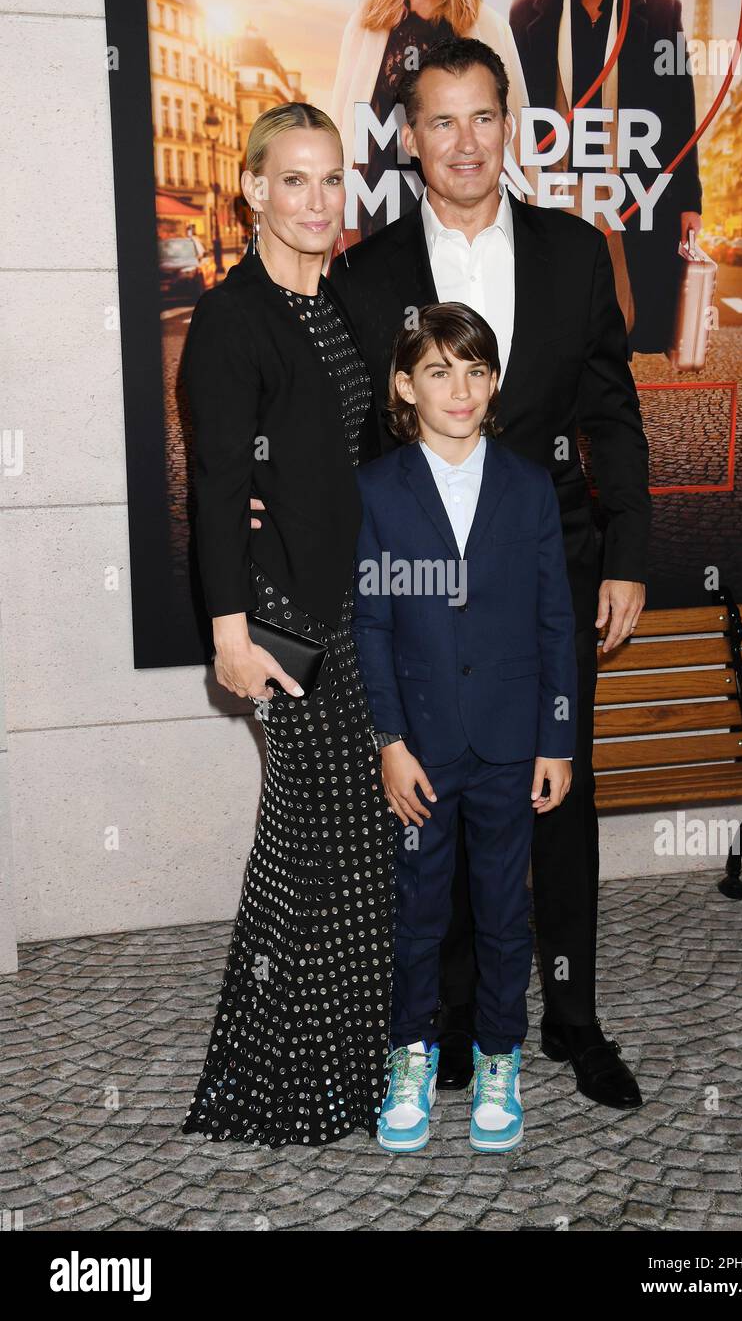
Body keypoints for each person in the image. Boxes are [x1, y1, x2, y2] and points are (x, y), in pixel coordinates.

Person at [326, 36, 650, 1108]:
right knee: (444, 795)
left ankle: (573, 1016)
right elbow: (355, 444)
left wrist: (629, 558)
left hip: (552, 562)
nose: (465, 143)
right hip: (421, 584)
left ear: (511, 127)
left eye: (484, 117)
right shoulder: (367, 274)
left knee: (556, 790)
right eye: (441, 120)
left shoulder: (570, 251)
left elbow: (613, 412)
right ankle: (458, 1024)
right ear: (408, 137)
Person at [179, 102, 396, 1149]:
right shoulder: (234, 320)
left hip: (348, 602)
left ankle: (339, 1062)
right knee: (319, 833)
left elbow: (344, 451)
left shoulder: (340, 304)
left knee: (342, 838)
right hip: (280, 620)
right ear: (253, 191)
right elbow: (217, 488)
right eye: (292, 180)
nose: (315, 201)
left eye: (329, 180)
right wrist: (230, 636)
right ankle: (276, 1078)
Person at [352, 302, 577, 1153]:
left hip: (512, 741)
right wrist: (390, 741)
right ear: (406, 386)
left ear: (494, 384)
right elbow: (370, 623)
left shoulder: (527, 484)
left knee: (501, 912)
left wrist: (557, 739)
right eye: (439, 371)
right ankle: (409, 1055)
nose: (460, 388)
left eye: (476, 370)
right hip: (421, 746)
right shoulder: (376, 489)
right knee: (416, 911)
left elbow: (556, 619)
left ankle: (498, 1057)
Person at [509, 0, 703, 355]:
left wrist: (689, 201)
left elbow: (678, 108)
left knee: (620, 322)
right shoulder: (525, 13)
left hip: (623, 198)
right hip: (552, 195)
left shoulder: (663, 8)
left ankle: (606, 414)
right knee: (552, 322)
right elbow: (511, 108)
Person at [330, 0, 529, 239]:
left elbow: (519, 144)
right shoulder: (366, 24)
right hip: (380, 207)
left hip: (467, 212)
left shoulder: (488, 25)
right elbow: (344, 136)